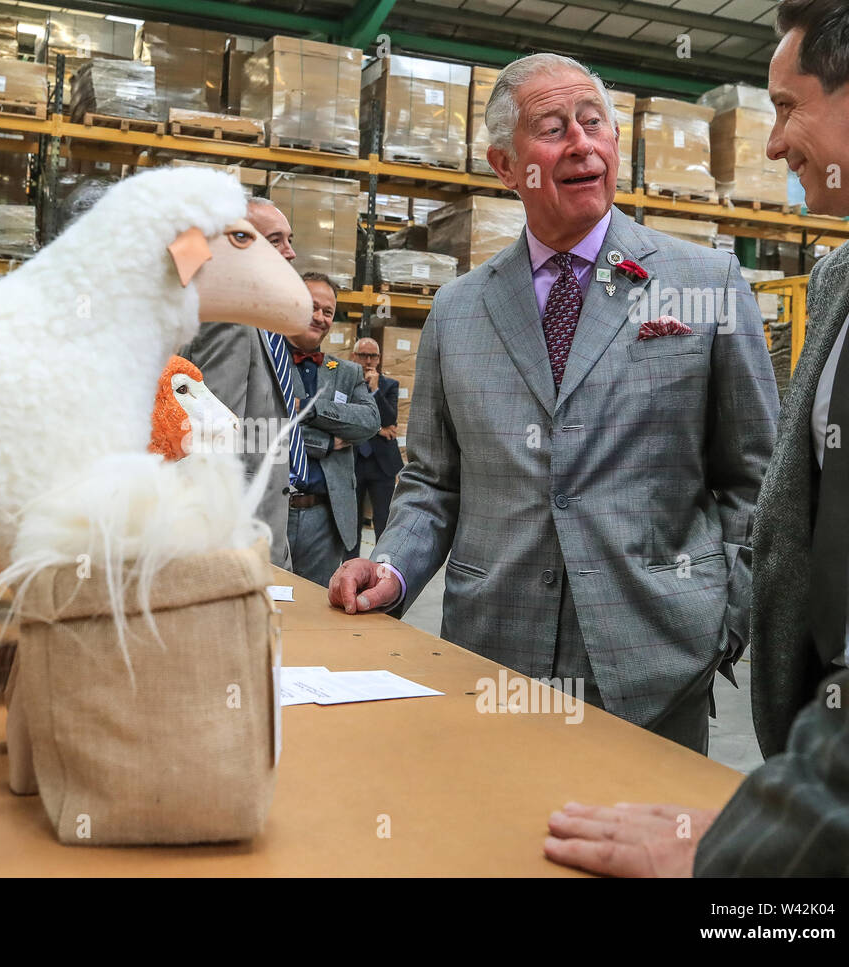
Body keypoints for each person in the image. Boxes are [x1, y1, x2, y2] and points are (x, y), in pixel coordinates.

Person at [328, 52, 780, 753]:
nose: (582, 143)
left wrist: (721, 618)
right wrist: (390, 565)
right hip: (494, 650)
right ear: (506, 166)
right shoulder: (458, 310)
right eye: (553, 127)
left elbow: (755, 475)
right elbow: (431, 485)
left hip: (656, 660)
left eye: (594, 122)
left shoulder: (707, 283)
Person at [545, 0, 849, 876]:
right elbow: (794, 491)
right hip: (818, 731)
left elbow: (741, 463)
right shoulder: (846, 274)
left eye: (785, 105)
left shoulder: (701, 279)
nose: (772, 145)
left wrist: (748, 856)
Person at [181, 197, 300, 569]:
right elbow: (214, 443)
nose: (291, 253)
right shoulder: (230, 321)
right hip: (236, 538)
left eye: (290, 239)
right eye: (276, 240)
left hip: (266, 525)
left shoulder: (261, 317)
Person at [285, 273, 379, 586]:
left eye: (327, 311)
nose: (320, 317)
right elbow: (264, 429)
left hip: (326, 520)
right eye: (312, 306)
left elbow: (369, 421)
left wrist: (309, 409)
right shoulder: (268, 361)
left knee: (315, 617)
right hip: (273, 512)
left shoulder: (348, 372)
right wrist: (324, 444)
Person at [346, 336, 402, 556]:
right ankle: (348, 568)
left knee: (383, 520)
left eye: (373, 356)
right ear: (354, 356)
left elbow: (390, 419)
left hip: (382, 465)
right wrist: (377, 429)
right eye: (363, 355)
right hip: (353, 461)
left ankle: (381, 569)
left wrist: (376, 390)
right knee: (351, 522)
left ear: (379, 359)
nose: (368, 360)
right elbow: (346, 418)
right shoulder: (346, 382)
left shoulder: (390, 386)